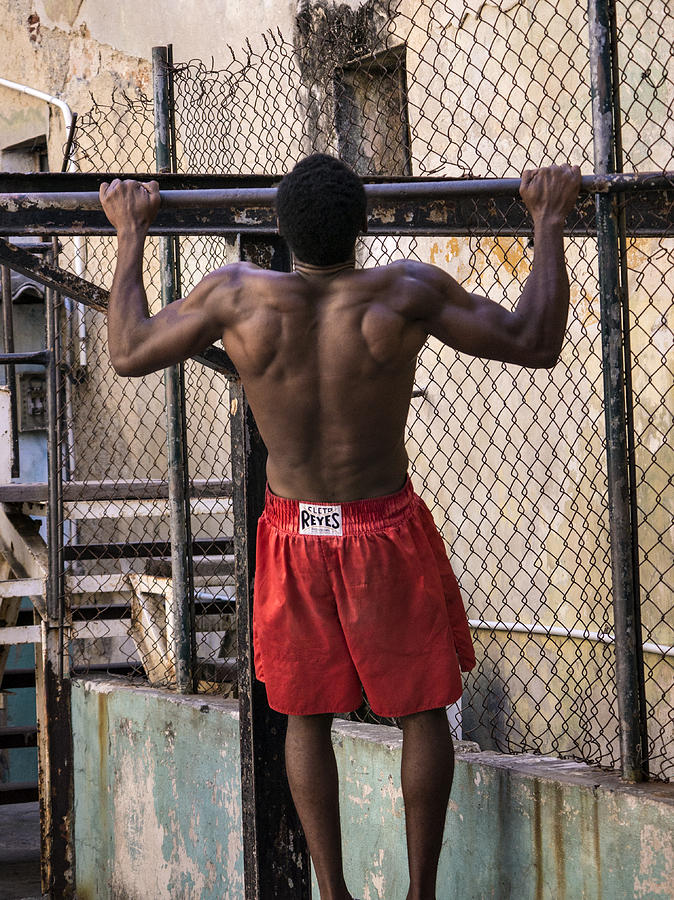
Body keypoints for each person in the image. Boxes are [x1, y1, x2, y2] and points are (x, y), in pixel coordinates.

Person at [100, 154, 580, 900]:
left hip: (294, 533)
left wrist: (131, 233)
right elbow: (535, 340)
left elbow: (128, 350)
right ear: (362, 225)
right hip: (380, 528)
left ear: (282, 229)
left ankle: (333, 893)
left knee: (305, 715)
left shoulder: (236, 295)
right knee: (421, 711)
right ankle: (420, 893)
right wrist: (547, 219)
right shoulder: (405, 291)